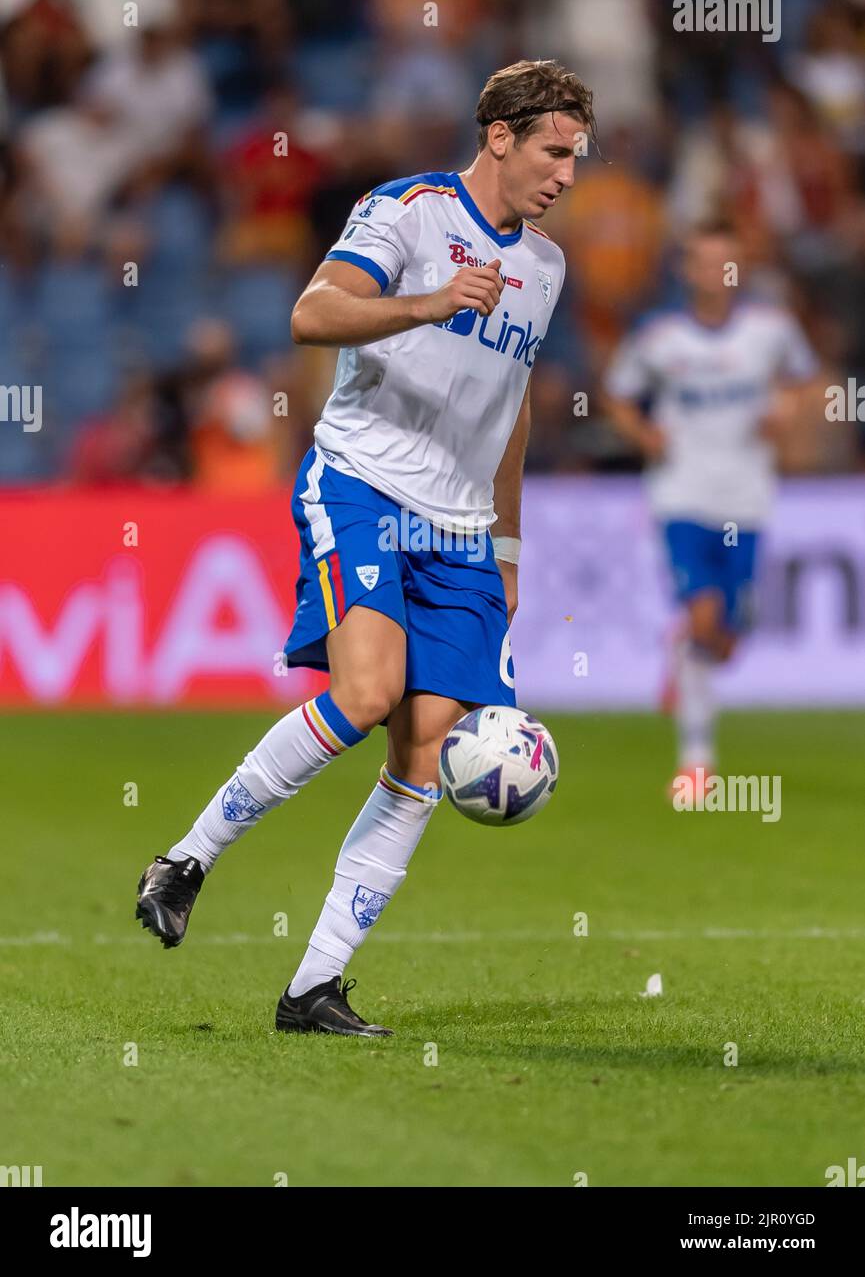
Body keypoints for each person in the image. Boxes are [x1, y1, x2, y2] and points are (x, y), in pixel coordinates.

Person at [135, 58, 592, 1036]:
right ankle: (186, 858)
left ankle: (313, 988)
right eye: (554, 151)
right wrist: (427, 302)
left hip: (465, 528)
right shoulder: (411, 211)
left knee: (425, 745)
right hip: (363, 483)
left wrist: (507, 549)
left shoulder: (544, 267)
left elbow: (507, 417)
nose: (564, 174)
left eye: (577, 158)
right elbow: (313, 314)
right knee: (367, 692)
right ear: (500, 135)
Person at [603, 221, 817, 794]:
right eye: (705, 261)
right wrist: (645, 434)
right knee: (702, 616)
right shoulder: (660, 337)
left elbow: (804, 380)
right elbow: (618, 394)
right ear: (687, 270)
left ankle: (687, 654)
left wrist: (786, 414)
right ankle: (697, 760)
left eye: (727, 261)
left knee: (726, 636)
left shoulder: (771, 331)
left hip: (746, 497)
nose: (717, 273)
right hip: (682, 495)